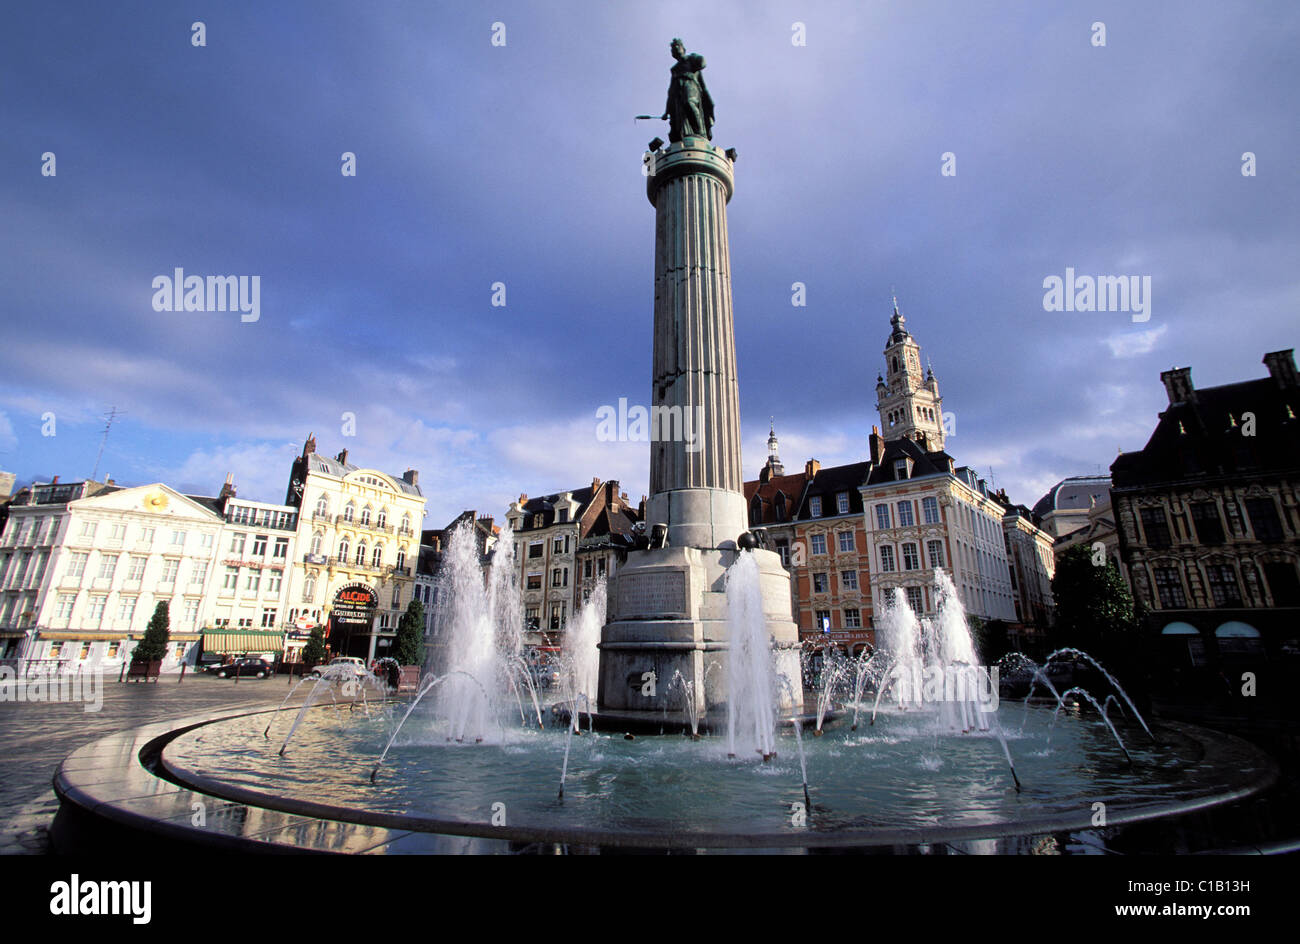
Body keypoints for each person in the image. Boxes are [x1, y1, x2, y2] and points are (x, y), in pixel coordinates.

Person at [661, 38, 714, 142]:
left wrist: (696, 59)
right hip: (678, 92)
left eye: (677, 46)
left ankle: (700, 132)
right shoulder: (674, 69)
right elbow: (671, 92)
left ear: (683, 48)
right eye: (673, 49)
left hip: (691, 85)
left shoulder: (691, 59)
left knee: (689, 103)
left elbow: (702, 63)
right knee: (680, 118)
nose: (675, 49)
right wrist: (667, 111)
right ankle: (687, 136)